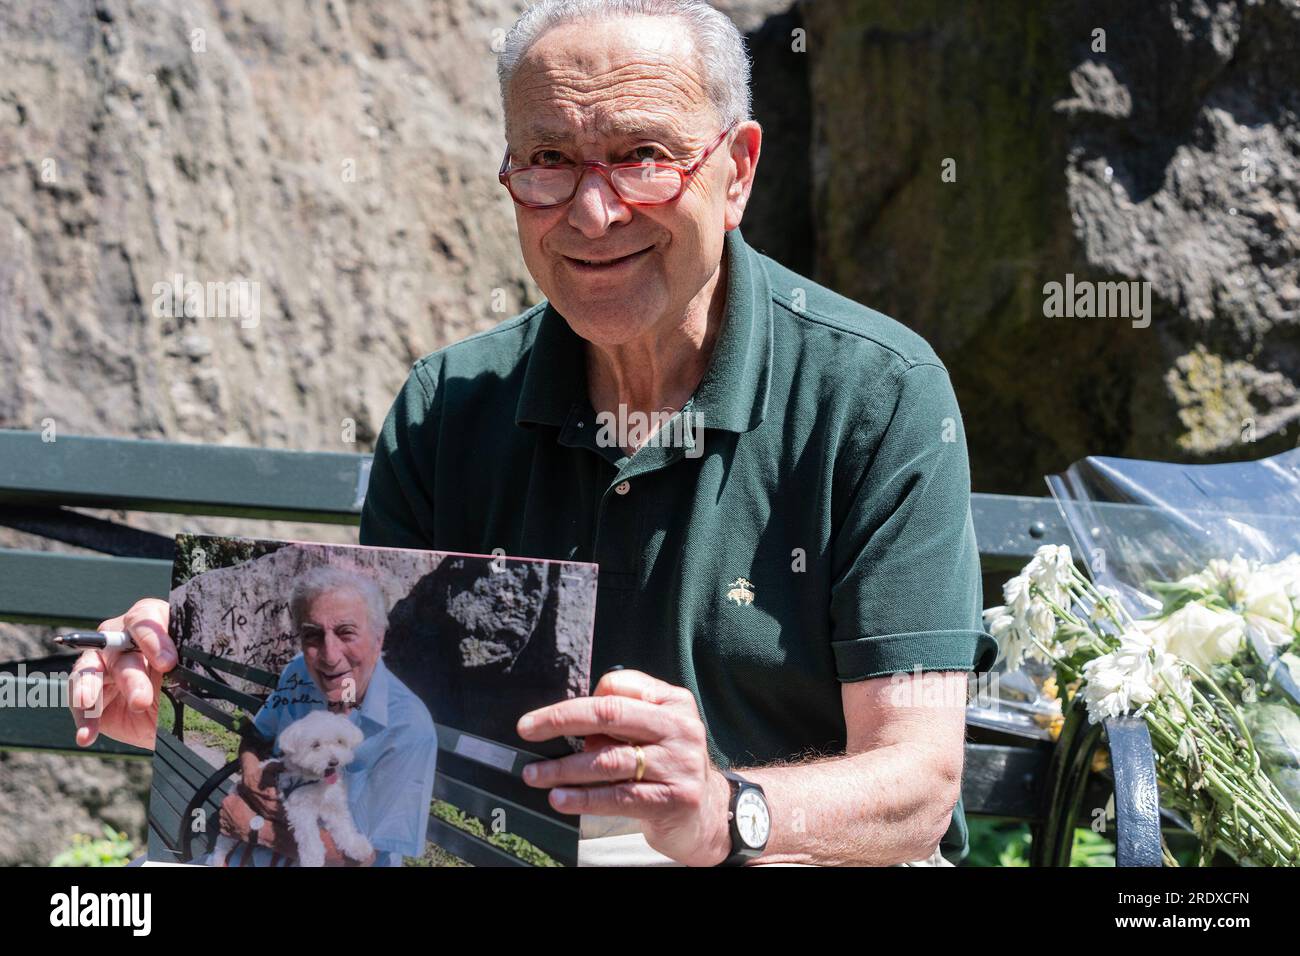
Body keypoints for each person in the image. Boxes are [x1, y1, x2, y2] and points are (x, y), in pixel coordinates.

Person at [70, 0, 996, 867]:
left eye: (642, 155)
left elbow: (918, 783)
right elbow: (386, 723)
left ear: (738, 170)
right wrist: (198, 700)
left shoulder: (879, 393)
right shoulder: (448, 403)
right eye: (548, 159)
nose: (592, 214)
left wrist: (723, 809)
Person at [213, 566, 436, 867]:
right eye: (313, 635)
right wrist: (252, 773)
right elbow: (256, 735)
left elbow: (364, 859)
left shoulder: (409, 727)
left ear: (378, 638)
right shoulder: (298, 672)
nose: (330, 656)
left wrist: (254, 827)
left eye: (346, 633)